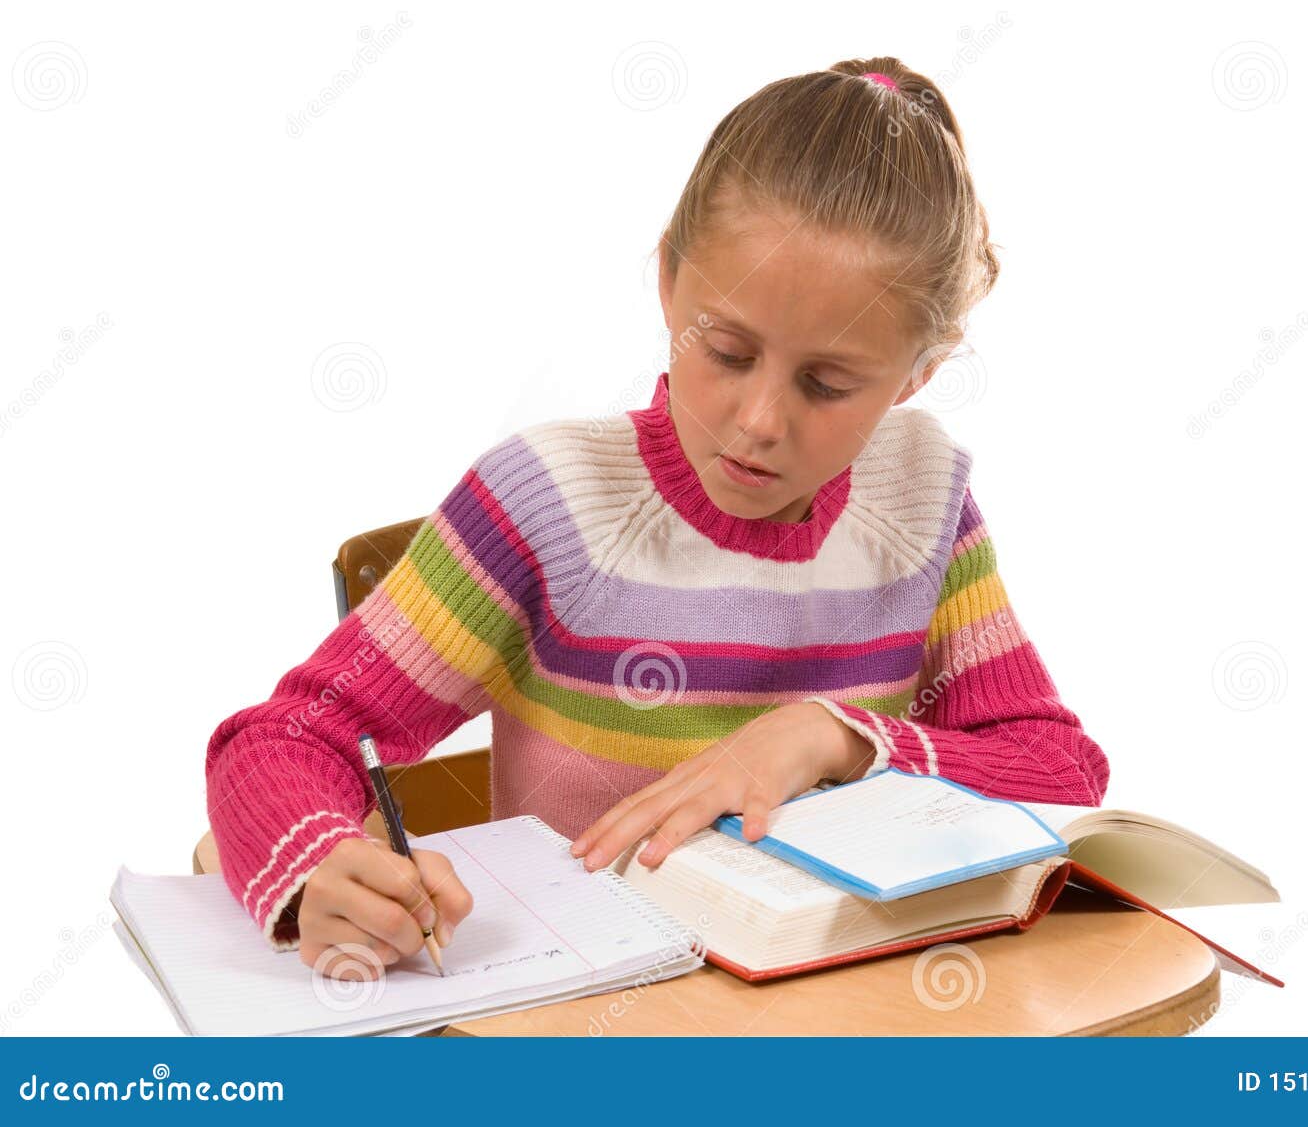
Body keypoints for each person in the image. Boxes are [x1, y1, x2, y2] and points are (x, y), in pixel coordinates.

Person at [204, 56, 1111, 980]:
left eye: (828, 384)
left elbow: (1061, 770)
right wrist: (322, 862)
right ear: (671, 277)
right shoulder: (550, 503)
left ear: (918, 371)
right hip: (601, 1021)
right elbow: (285, 737)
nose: (760, 421)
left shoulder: (920, 500)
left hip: (846, 1010)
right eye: (729, 351)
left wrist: (833, 737)